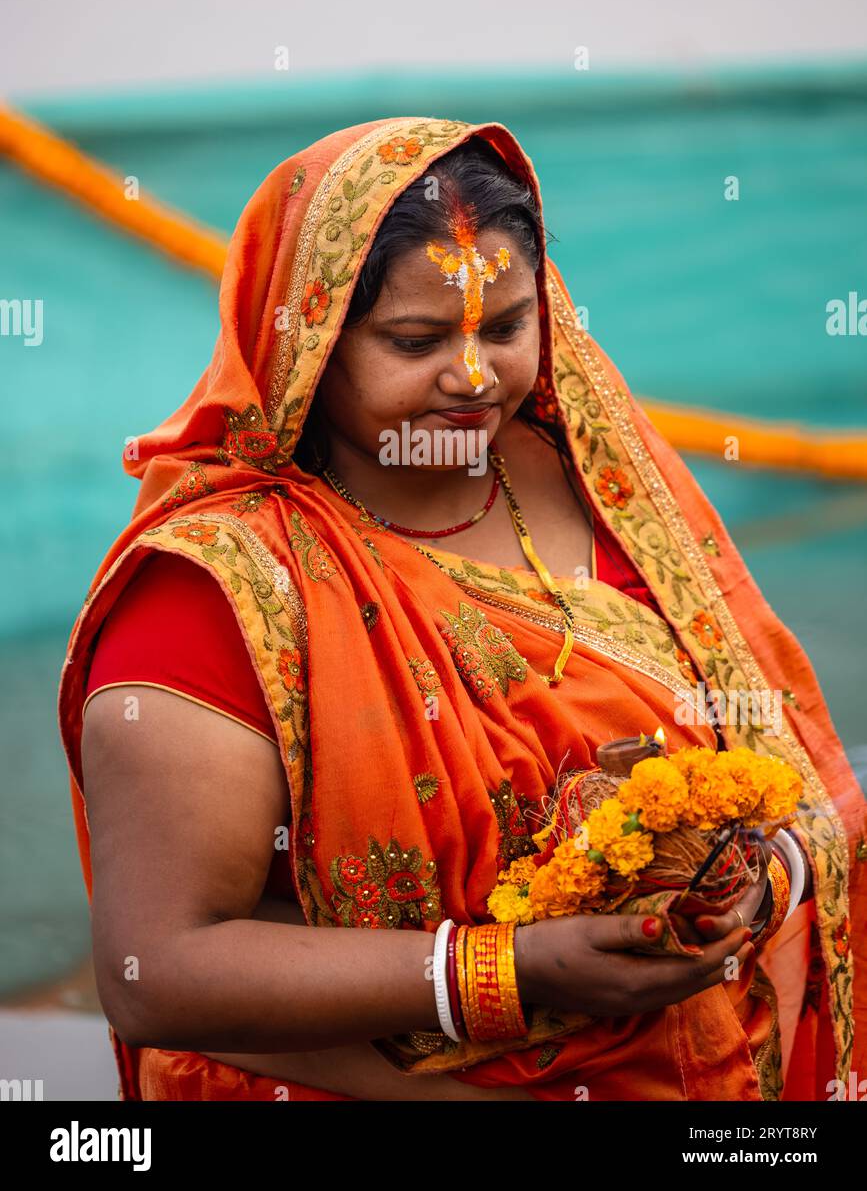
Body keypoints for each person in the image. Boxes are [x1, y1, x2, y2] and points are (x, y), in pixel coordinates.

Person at [58, 116, 866, 1101]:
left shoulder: (600, 480)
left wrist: (752, 873)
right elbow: (157, 970)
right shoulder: (221, 591)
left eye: (506, 325)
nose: (475, 376)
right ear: (309, 343)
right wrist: (504, 974)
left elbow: (779, 755)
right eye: (417, 338)